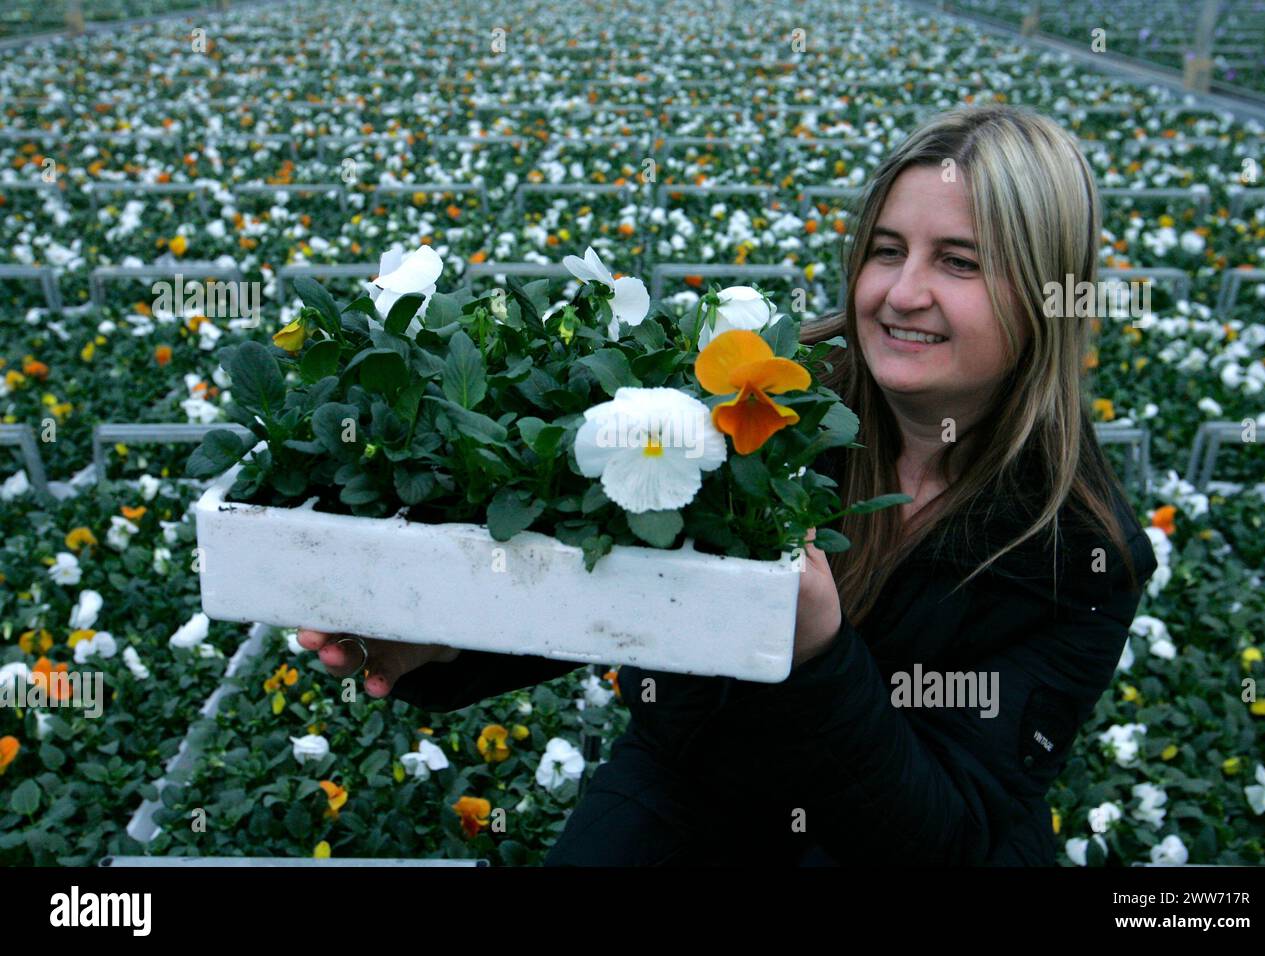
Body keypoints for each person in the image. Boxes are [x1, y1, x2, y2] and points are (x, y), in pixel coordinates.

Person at [297, 103, 1158, 866]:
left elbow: (941, 831)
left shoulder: (1079, 550)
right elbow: (621, 565)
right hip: (694, 781)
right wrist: (446, 647)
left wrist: (818, 654)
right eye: (887, 250)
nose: (902, 293)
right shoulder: (771, 393)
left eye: (959, 263)